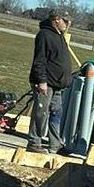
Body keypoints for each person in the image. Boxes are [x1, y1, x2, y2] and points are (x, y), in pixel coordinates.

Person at [28, 9, 73, 154]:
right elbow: (39, 60)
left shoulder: (59, 36)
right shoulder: (44, 35)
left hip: (57, 84)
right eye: (65, 21)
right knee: (41, 112)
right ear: (57, 20)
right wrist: (41, 81)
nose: (67, 24)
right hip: (45, 82)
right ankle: (34, 142)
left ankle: (55, 144)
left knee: (56, 113)